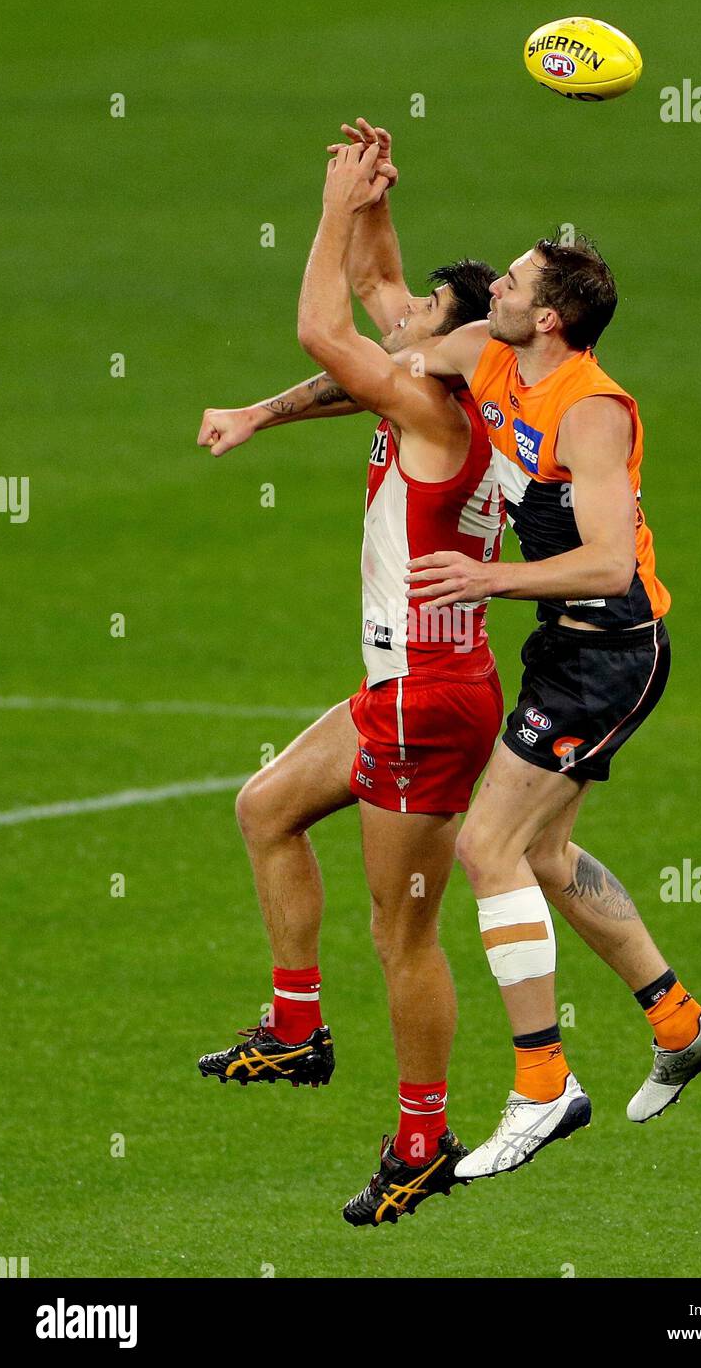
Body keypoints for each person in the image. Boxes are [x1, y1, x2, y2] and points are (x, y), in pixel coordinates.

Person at [195, 123, 505, 1225]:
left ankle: (423, 1139)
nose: (402, 316)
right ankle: (294, 1031)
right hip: (404, 686)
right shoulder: (434, 372)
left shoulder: (436, 407)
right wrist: (374, 192)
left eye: (422, 316)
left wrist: (326, 201)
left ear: (457, 343)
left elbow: (325, 322)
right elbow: (374, 285)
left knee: (402, 933)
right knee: (266, 805)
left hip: (428, 702)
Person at [395, 231, 701, 1178]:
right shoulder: (490, 354)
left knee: (488, 847)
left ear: (549, 316)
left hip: (612, 656)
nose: (490, 287)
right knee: (541, 852)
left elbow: (607, 565)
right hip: (563, 647)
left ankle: (544, 1087)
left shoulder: (592, 412)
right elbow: (381, 365)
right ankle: (679, 1021)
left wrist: (484, 575)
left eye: (510, 282)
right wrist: (261, 414)